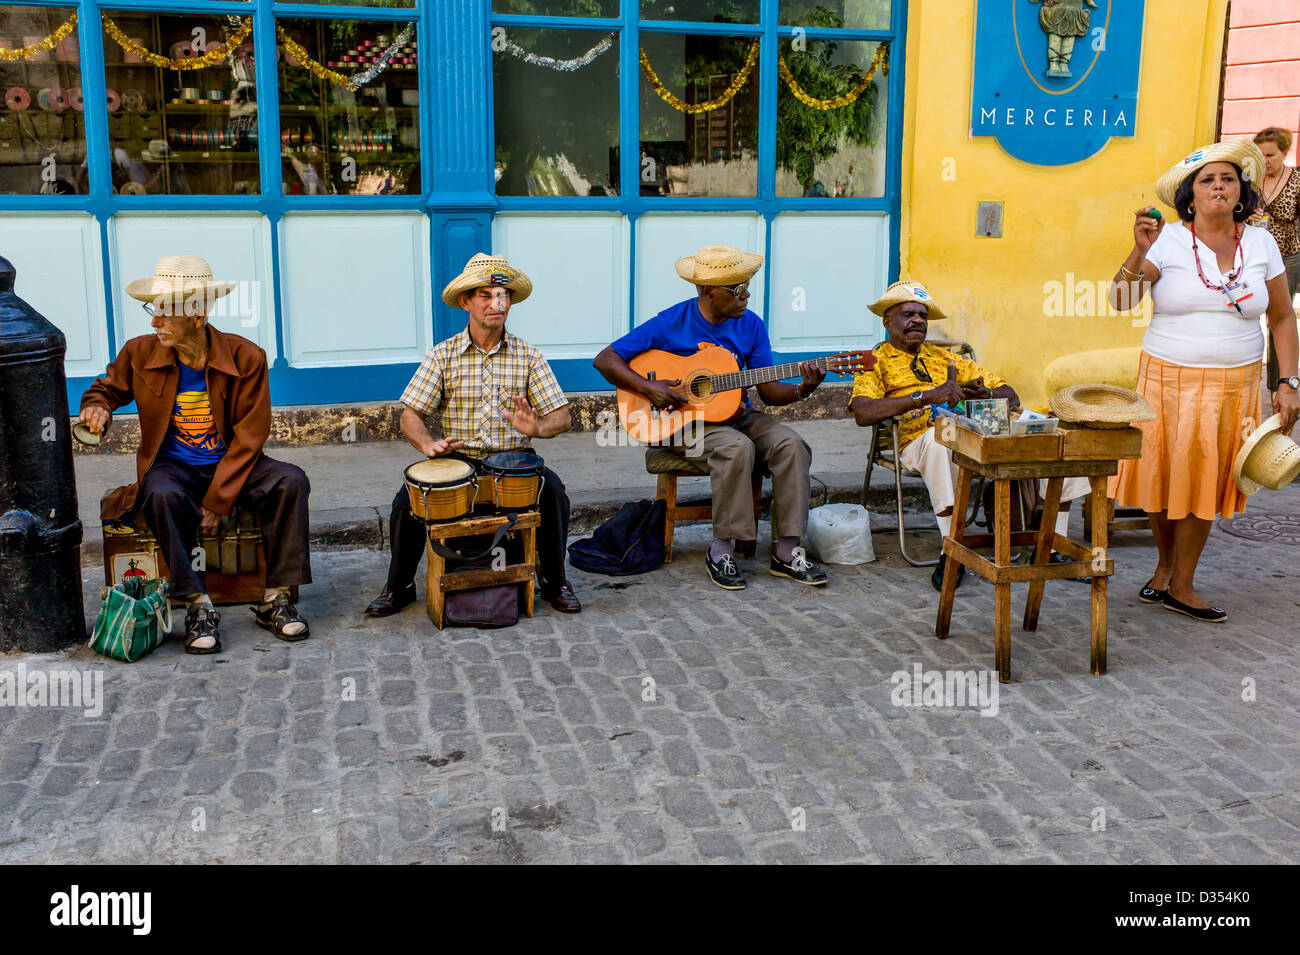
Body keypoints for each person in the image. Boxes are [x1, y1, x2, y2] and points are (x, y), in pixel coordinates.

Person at [78, 255, 313, 653]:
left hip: (234, 467)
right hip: (174, 468)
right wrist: (97, 404)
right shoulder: (139, 353)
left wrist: (217, 500)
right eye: (154, 310)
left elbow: (251, 436)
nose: (155, 322)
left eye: (166, 312)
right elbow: (108, 387)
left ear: (198, 314)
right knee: (160, 490)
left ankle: (276, 598)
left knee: (291, 480)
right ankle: (196, 603)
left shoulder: (246, 357)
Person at [1109, 139, 1300, 622]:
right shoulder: (1168, 240)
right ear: (1190, 195)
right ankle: (1164, 565)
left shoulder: (1261, 243)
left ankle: (1184, 584)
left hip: (1233, 383)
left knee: (1206, 477)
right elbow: (1121, 300)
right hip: (1164, 379)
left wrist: (1289, 382)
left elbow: (1281, 318)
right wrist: (1138, 251)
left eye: (1228, 179)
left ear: (1242, 192)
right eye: (1208, 179)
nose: (1219, 185)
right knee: (1162, 472)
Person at [593, 244, 828, 591]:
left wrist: (803, 389)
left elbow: (768, 391)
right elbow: (605, 360)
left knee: (791, 444)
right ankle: (721, 551)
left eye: (747, 285)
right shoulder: (671, 321)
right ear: (707, 291)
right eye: (737, 290)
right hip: (682, 423)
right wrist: (650, 388)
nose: (746, 295)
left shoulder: (751, 326)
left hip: (737, 415)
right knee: (736, 448)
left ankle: (786, 550)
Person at [365, 253, 582, 617]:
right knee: (406, 502)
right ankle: (399, 586)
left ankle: (555, 581)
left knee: (555, 494)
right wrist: (427, 444)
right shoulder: (443, 354)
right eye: (485, 295)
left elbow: (562, 417)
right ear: (466, 302)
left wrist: (538, 428)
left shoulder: (528, 356)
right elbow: (410, 415)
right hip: (458, 460)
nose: (496, 303)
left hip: (514, 461)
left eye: (503, 295)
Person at [848, 280, 1093, 590]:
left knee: (1050, 434)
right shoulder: (874, 362)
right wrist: (925, 397)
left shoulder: (945, 358)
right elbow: (863, 412)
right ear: (887, 321)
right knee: (942, 443)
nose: (917, 322)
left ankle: (1053, 548)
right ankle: (952, 551)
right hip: (917, 439)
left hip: (974, 433)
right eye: (908, 314)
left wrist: (983, 393)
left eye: (922, 316)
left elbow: (1011, 395)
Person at [1249, 127, 1300, 391]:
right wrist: (1245, 214)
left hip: (1287, 256)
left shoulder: (1296, 180)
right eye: (1260, 155)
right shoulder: (1248, 178)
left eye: (1270, 155)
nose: (1265, 161)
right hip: (1253, 257)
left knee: (1279, 319)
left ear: (1284, 153)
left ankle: (1279, 384)